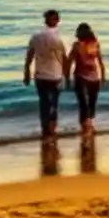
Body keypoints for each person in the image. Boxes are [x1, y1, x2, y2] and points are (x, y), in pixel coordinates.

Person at [24, 10, 69, 138]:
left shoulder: (35, 37)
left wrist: (26, 73)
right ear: (58, 21)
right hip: (56, 75)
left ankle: (45, 129)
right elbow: (65, 60)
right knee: (54, 103)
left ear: (45, 21)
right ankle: (52, 130)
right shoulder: (60, 39)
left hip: (40, 76)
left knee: (43, 103)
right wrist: (67, 77)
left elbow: (29, 58)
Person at [69, 22, 106, 135]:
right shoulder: (95, 44)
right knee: (91, 103)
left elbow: (69, 61)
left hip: (81, 77)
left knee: (84, 104)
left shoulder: (77, 45)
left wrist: (66, 76)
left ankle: (86, 126)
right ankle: (88, 125)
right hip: (94, 77)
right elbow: (100, 61)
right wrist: (103, 76)